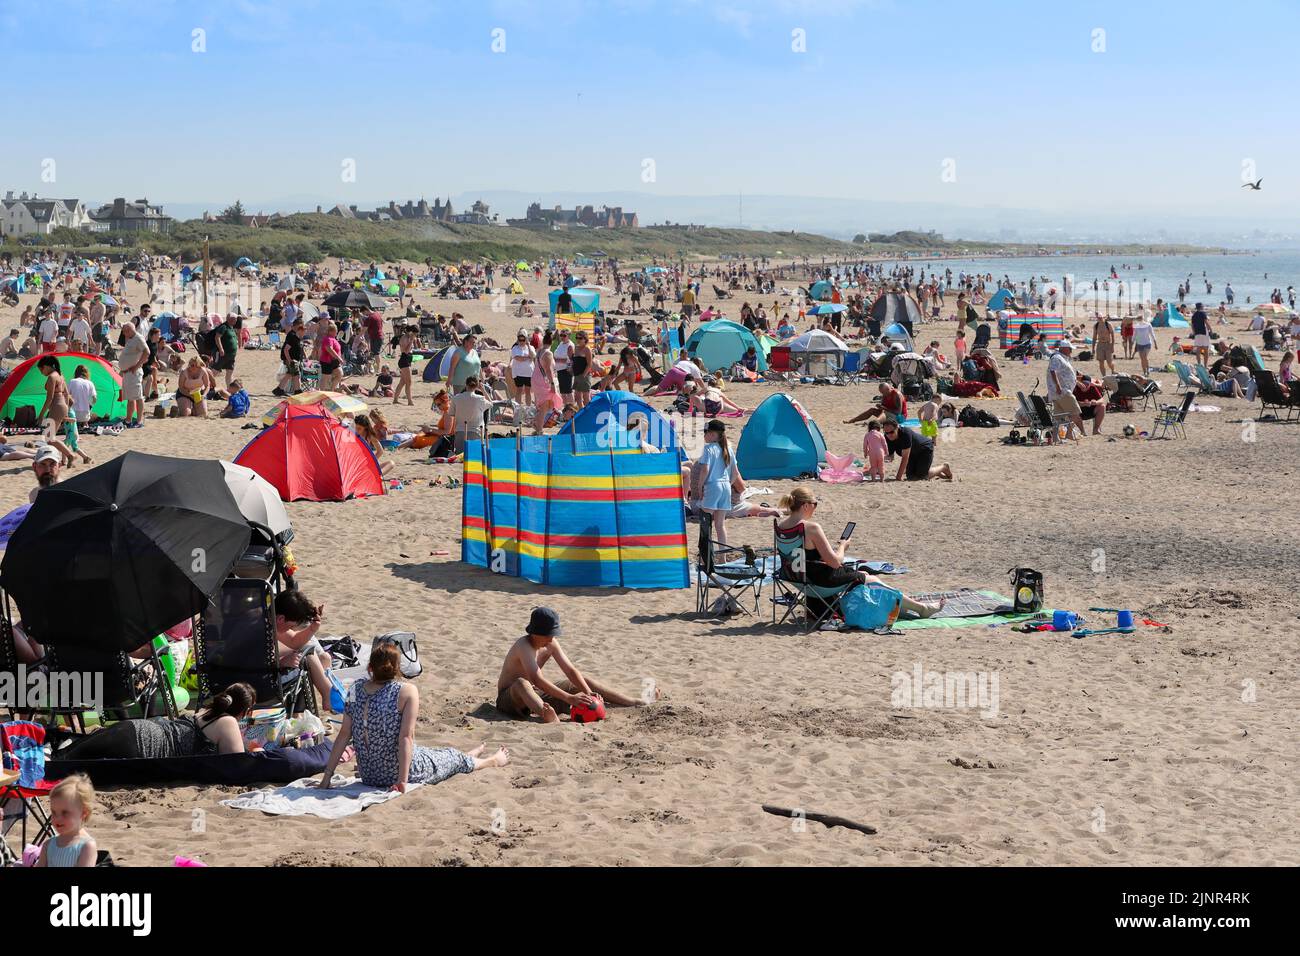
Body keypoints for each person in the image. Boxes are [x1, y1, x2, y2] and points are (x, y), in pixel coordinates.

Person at [319, 643, 509, 792]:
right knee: (451, 756)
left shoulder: (354, 689)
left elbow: (343, 735)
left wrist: (327, 777)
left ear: (370, 668)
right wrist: (402, 781)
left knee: (437, 753)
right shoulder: (406, 691)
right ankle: (490, 761)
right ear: (397, 668)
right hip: (397, 772)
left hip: (370, 774)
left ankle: (467, 756)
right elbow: (406, 738)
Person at [775, 486, 944, 616]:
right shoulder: (811, 528)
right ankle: (922, 608)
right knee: (870, 578)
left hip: (798, 581)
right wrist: (843, 546)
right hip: (819, 583)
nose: (815, 508)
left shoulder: (780, 527)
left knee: (858, 573)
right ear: (805, 505)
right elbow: (835, 562)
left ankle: (902, 605)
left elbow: (797, 555)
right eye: (815, 504)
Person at [494, 607, 655, 723]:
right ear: (536, 633)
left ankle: (633, 702)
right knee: (522, 683)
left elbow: (570, 670)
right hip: (510, 699)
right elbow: (536, 679)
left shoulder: (550, 643)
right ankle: (548, 717)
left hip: (536, 694)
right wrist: (569, 698)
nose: (552, 639)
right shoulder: (524, 646)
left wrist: (588, 692)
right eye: (549, 635)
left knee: (583, 681)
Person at [59, 683, 257, 760]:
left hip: (138, 729)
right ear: (245, 710)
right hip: (142, 746)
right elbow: (234, 764)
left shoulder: (205, 711)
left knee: (68, 754)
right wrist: (256, 752)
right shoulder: (228, 721)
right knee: (66, 760)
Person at [689, 419, 739, 546]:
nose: (704, 435)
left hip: (713, 486)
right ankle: (723, 558)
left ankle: (707, 558)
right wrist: (728, 483)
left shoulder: (708, 449)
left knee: (706, 524)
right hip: (726, 486)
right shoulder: (728, 449)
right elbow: (735, 474)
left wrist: (700, 488)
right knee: (720, 525)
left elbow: (704, 470)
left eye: (705, 433)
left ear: (712, 434)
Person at [35, 774, 97, 868]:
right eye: (54, 812)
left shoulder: (86, 846)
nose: (57, 818)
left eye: (65, 813)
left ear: (83, 813)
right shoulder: (48, 845)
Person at [881, 417, 953, 481]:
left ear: (897, 427)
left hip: (925, 449)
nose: (889, 435)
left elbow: (905, 458)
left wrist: (898, 478)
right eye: (886, 433)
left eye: (891, 432)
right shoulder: (887, 437)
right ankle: (933, 472)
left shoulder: (905, 434)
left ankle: (944, 467)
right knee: (910, 477)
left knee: (921, 477)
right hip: (912, 454)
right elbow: (890, 455)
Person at [1047, 339, 1085, 436]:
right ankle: (1082, 432)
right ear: (1064, 349)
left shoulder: (1062, 358)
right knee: (1075, 413)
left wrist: (1077, 382)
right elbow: (1053, 371)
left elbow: (1065, 374)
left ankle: (1056, 437)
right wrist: (1058, 386)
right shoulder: (1057, 358)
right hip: (1063, 392)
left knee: (1058, 417)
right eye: (1069, 349)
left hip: (1059, 392)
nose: (1071, 351)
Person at [118, 319, 148, 427]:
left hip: (134, 372)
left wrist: (137, 365)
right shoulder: (130, 339)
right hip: (127, 373)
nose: (123, 333)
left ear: (129, 330)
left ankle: (139, 421)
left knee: (138, 396)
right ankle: (128, 420)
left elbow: (146, 352)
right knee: (130, 398)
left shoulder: (138, 338)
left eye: (125, 331)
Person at [451, 376, 492, 452]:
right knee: (473, 455)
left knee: (460, 454)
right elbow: (491, 404)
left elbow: (451, 414)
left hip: (460, 433)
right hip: (476, 433)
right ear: (477, 386)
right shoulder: (480, 399)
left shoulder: (456, 398)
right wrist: (483, 389)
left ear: (465, 384)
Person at [215, 313, 240, 388]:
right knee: (215, 371)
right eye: (233, 319)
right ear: (229, 319)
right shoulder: (223, 327)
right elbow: (217, 337)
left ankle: (230, 389)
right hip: (223, 354)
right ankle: (205, 385)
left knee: (230, 372)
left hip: (231, 355)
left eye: (235, 320)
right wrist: (221, 349)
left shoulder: (231, 327)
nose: (235, 321)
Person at [393, 324, 414, 406]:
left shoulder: (408, 337)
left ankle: (395, 399)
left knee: (402, 382)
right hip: (404, 360)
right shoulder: (404, 338)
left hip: (407, 360)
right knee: (409, 382)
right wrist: (411, 341)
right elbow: (406, 351)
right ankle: (410, 401)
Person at [1131, 308, 1157, 375]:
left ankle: (1147, 369)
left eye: (1139, 319)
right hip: (1140, 344)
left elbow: (1152, 334)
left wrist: (1155, 343)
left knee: (1144, 357)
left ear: (1142, 319)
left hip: (1147, 344)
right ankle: (1144, 371)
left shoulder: (1148, 325)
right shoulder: (1137, 326)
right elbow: (1135, 335)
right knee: (1142, 359)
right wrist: (1132, 341)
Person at [1093, 312, 1116, 377]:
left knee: (1109, 362)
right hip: (1100, 344)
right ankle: (1104, 377)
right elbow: (1094, 337)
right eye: (1098, 318)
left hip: (1108, 344)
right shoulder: (1096, 326)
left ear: (1104, 317)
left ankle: (1113, 370)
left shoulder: (1108, 324)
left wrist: (1112, 346)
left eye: (1101, 317)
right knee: (1101, 362)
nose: (1100, 319)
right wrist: (1093, 348)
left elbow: (1113, 335)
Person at [1191, 302, 1211, 367]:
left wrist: (1194, 332)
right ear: (1201, 307)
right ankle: (1205, 365)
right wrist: (1211, 330)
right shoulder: (1203, 313)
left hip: (1197, 332)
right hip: (1204, 332)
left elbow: (1192, 325)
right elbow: (1206, 322)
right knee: (1206, 349)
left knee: (1198, 349)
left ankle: (1199, 364)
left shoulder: (1194, 315)